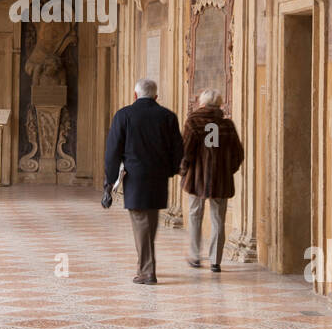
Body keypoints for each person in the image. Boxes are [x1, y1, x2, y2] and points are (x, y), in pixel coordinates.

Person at [103, 78, 183, 284]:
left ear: (135, 95)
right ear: (156, 97)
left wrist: (109, 183)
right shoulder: (168, 116)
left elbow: (113, 152)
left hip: (135, 178)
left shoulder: (124, 115)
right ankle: (146, 265)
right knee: (150, 222)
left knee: (141, 222)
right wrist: (172, 170)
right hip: (158, 178)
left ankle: (147, 271)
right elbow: (177, 150)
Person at [179, 89, 244, 273]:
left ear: (202, 103)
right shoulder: (227, 125)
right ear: (219, 105)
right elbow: (238, 153)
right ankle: (215, 261)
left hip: (197, 179)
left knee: (194, 216)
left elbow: (186, 152)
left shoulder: (193, 122)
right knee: (218, 220)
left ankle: (195, 256)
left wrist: (183, 171)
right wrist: (227, 170)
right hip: (220, 181)